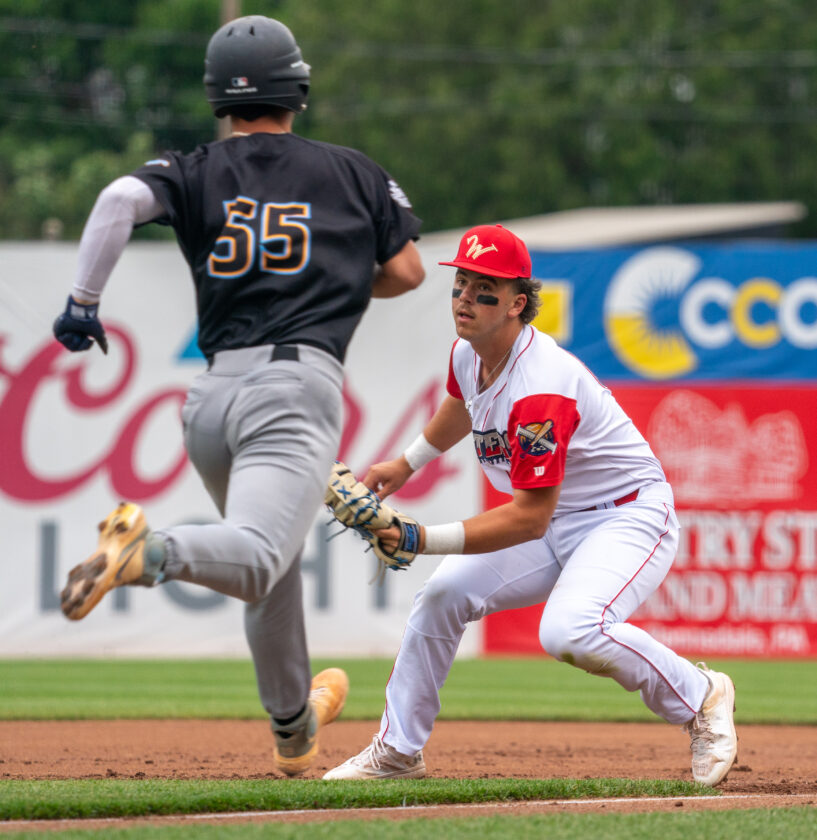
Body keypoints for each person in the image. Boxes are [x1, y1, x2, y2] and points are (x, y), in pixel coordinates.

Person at [52, 15, 424, 777]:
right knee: (257, 558)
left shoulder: (190, 168)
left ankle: (294, 730)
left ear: (218, 96)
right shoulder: (349, 170)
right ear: (299, 87)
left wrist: (84, 301)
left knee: (272, 562)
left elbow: (118, 201)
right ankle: (143, 555)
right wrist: (339, 272)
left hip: (213, 398)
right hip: (294, 386)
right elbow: (409, 272)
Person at [323, 223, 737, 786]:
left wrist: (420, 537)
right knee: (441, 595)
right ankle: (398, 750)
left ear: (518, 303)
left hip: (625, 515)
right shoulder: (470, 352)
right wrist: (407, 462)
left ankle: (702, 696)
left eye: (484, 288)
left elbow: (528, 517)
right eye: (461, 284)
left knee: (570, 631)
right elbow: (461, 405)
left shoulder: (541, 388)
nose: (466, 298)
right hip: (562, 518)